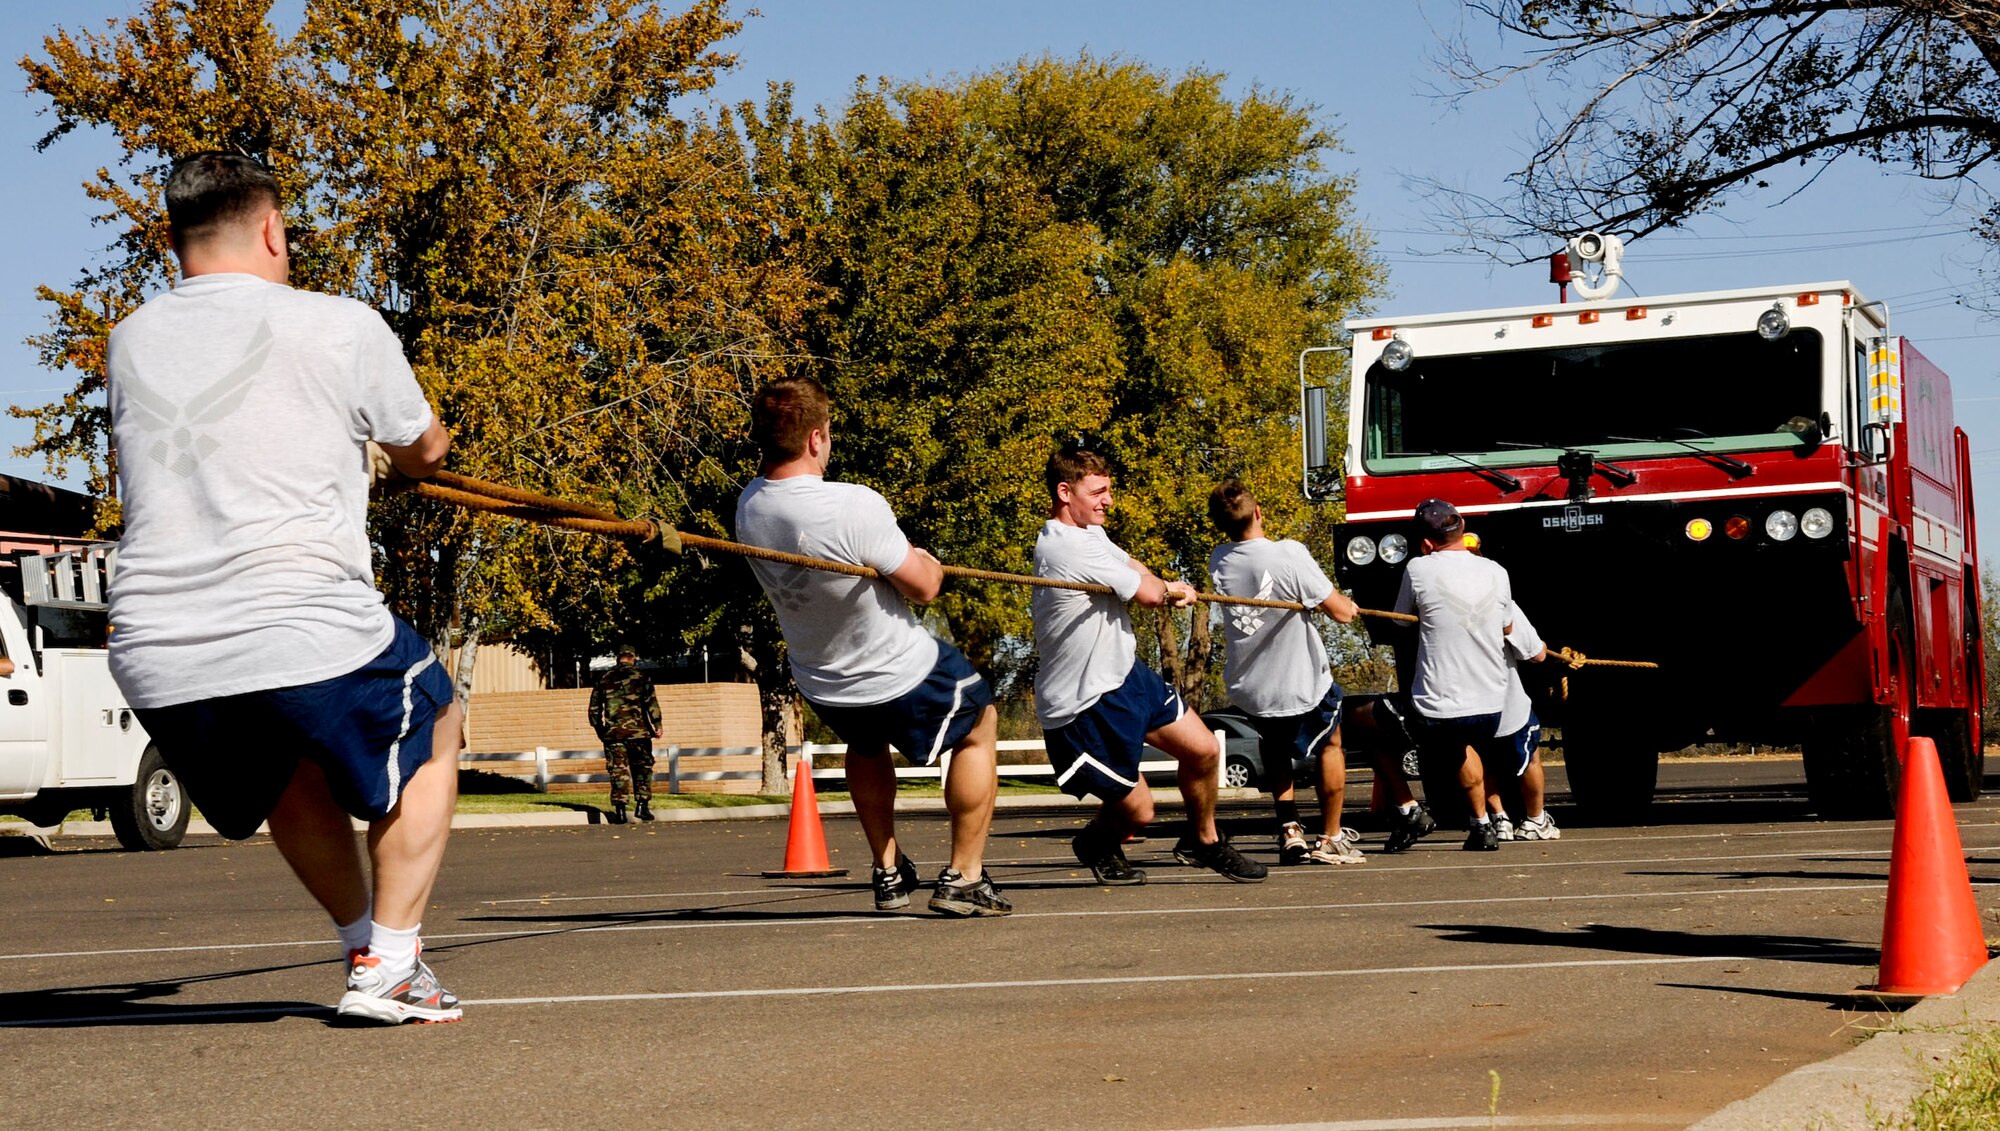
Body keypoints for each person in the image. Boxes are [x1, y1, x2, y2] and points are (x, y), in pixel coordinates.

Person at [105, 152, 461, 1024]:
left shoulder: (129, 337)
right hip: (300, 620)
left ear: (172, 238)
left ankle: (363, 949)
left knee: (292, 774)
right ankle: (397, 960)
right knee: (441, 718)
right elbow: (430, 449)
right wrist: (381, 449)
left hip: (154, 646)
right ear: (271, 229)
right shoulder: (341, 324)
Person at [735, 375, 1010, 917]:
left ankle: (888, 873)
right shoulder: (853, 504)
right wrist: (921, 558)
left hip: (823, 680)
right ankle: (964, 877)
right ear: (816, 438)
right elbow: (925, 586)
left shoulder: (749, 505)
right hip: (895, 669)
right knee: (980, 725)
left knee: (866, 747)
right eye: (829, 431)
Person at [1033, 444, 1267, 885]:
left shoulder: (1090, 535)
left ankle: (1204, 842)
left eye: (1109, 490)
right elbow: (1146, 595)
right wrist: (1167, 588)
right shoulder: (1065, 549)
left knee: (1204, 751)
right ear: (1065, 492)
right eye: (1098, 492)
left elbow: (1131, 566)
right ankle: (1097, 842)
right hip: (1086, 699)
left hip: (1126, 674)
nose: (1108, 500)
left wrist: (1166, 583)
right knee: (1140, 811)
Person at [1204, 480, 1368, 864]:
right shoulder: (1289, 553)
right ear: (1258, 512)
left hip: (1254, 686)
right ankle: (1330, 838)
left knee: (1274, 748)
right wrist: (1346, 604)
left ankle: (1290, 829)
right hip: (1301, 681)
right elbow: (1341, 612)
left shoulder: (1220, 559)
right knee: (1331, 745)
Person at [1392, 499, 1514, 852]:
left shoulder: (1418, 569)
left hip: (1438, 709)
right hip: (1492, 703)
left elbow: (1400, 621)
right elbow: (1507, 626)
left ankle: (1408, 809)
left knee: (1366, 727)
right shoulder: (1496, 570)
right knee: (1462, 747)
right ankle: (1482, 823)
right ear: (1463, 531)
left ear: (1426, 543)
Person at [589, 643, 663, 824]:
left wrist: (601, 730)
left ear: (618, 657)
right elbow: (651, 703)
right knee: (642, 770)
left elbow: (594, 710)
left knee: (618, 772)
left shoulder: (605, 678)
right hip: (639, 734)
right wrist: (657, 724)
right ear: (634, 658)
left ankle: (620, 812)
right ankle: (642, 807)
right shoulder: (642, 676)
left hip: (614, 735)